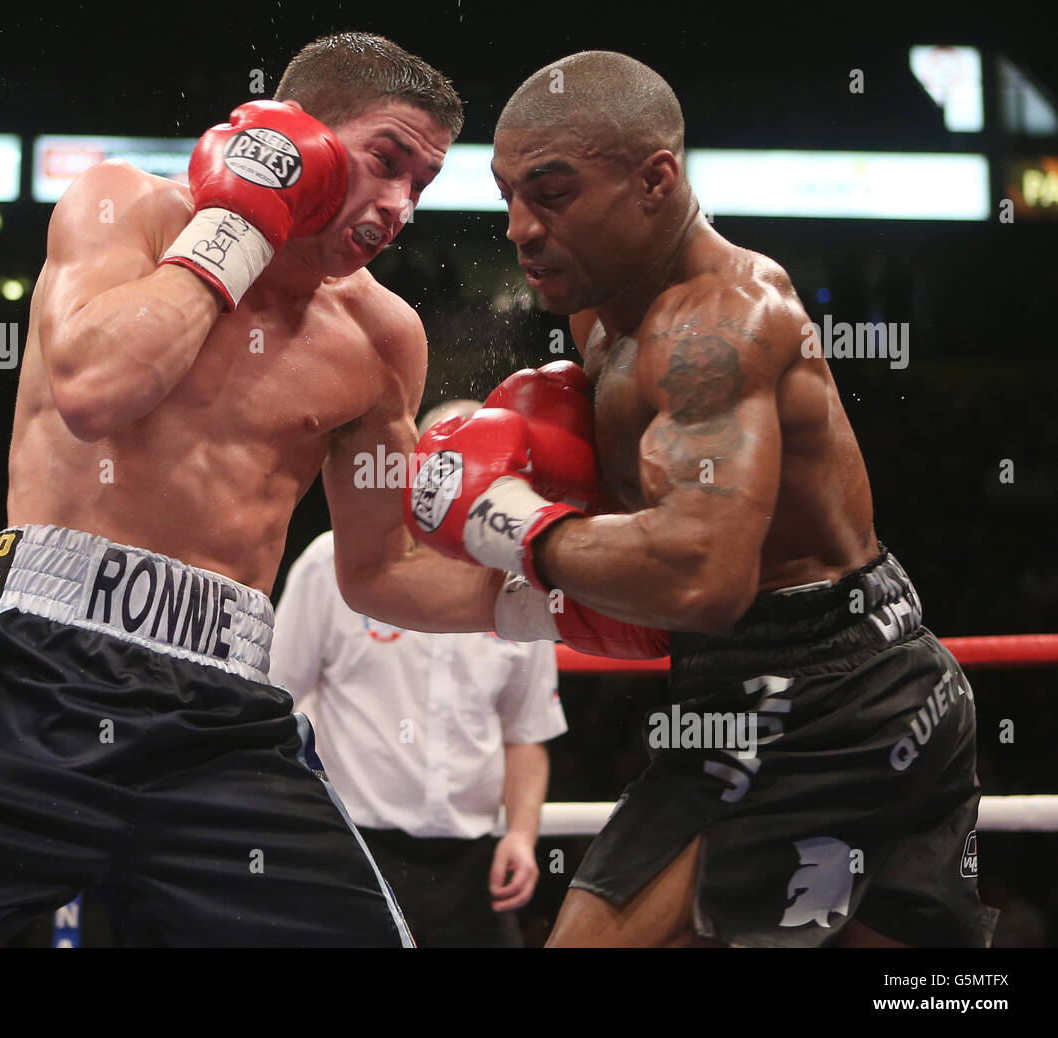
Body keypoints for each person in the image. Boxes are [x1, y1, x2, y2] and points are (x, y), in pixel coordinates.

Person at [0, 31, 493, 949]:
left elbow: (383, 573)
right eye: (386, 162)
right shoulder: (128, 210)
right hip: (27, 668)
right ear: (298, 134)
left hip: (223, 712)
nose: (400, 205)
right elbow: (95, 391)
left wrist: (549, 584)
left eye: (421, 183)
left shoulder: (385, 337)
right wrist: (241, 226)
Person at [404, 50, 997, 948]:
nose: (521, 227)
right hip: (840, 676)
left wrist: (505, 520)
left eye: (552, 193)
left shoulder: (721, 322)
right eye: (508, 196)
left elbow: (700, 579)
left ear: (656, 180)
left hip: (814, 694)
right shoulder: (599, 319)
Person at [270, 400, 567, 948]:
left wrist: (523, 836)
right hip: (354, 847)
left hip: (472, 864)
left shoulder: (518, 581)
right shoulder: (333, 564)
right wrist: (299, 820)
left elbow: (525, 732)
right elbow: (279, 699)